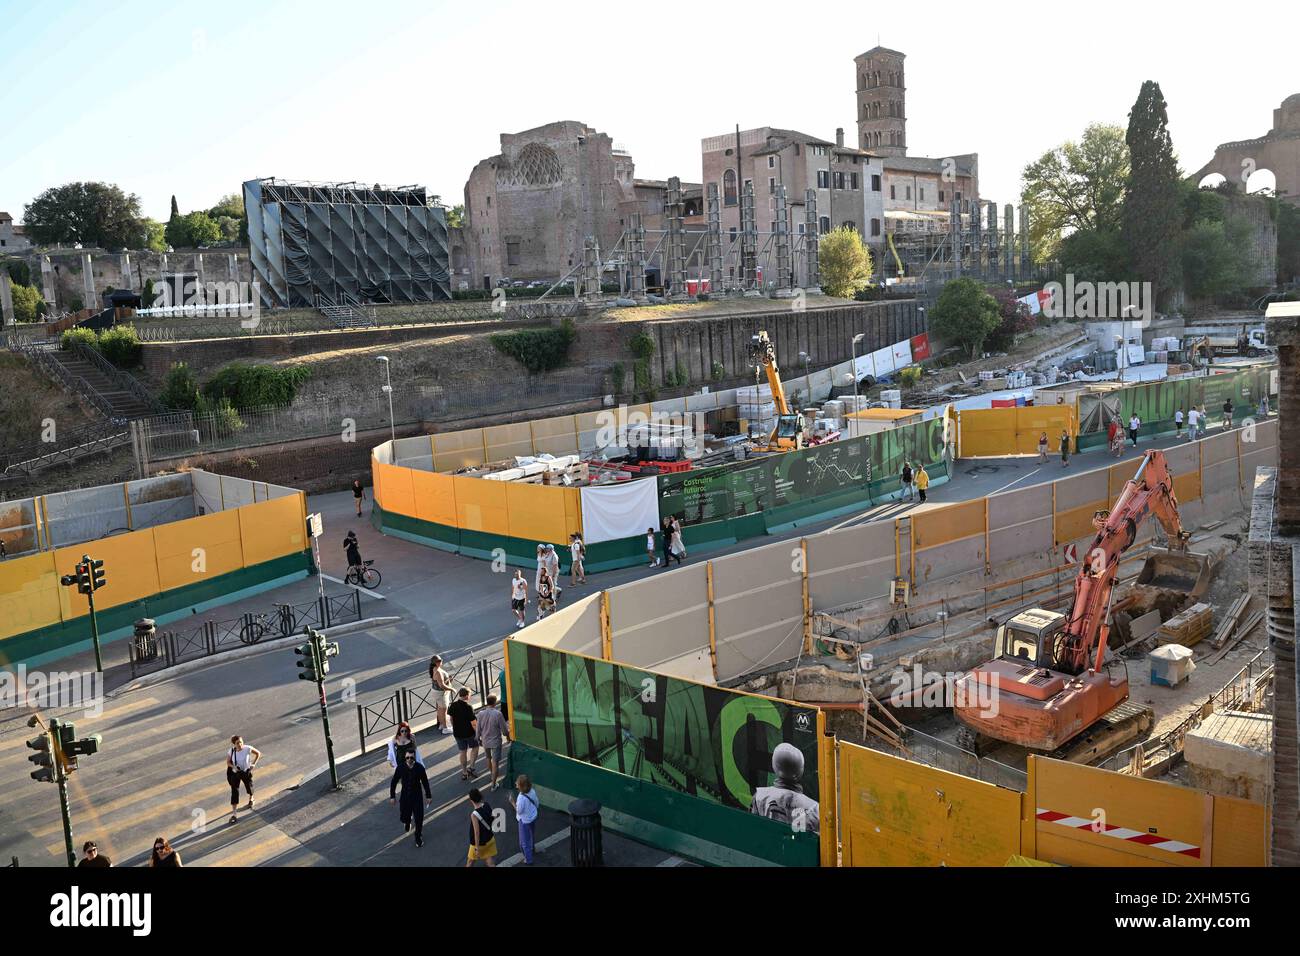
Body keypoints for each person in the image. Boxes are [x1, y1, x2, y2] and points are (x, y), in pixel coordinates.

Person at [750, 743, 820, 834]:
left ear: (774, 767)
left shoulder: (759, 797)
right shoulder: (815, 808)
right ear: (801, 771)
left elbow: (753, 831)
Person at [389, 750, 432, 848]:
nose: (409, 759)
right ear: (405, 757)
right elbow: (394, 782)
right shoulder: (400, 768)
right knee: (405, 816)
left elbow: (425, 782)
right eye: (407, 757)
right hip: (405, 797)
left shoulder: (419, 768)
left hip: (417, 797)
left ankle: (418, 837)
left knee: (419, 818)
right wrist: (392, 796)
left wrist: (428, 795)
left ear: (414, 758)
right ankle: (407, 822)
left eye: (411, 758)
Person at [476, 695, 511, 790]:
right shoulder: (498, 714)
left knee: (488, 758)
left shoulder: (480, 714)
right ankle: (493, 783)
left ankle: (492, 774)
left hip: (485, 741)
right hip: (495, 742)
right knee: (495, 762)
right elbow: (504, 730)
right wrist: (508, 737)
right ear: (495, 702)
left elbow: (478, 728)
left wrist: (478, 738)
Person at [226, 735, 260, 824]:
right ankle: (234, 814)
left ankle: (251, 798)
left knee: (249, 786)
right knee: (234, 792)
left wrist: (253, 764)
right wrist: (233, 766)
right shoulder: (231, 751)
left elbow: (258, 754)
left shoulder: (247, 748)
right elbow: (228, 762)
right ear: (234, 744)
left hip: (245, 772)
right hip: (236, 774)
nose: (240, 744)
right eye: (238, 743)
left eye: (241, 742)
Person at [449, 687, 480, 780]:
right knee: (475, 747)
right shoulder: (468, 707)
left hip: (458, 733)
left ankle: (464, 771)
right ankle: (471, 767)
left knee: (462, 751)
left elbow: (451, 719)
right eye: (470, 694)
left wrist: (455, 727)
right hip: (469, 733)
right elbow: (474, 723)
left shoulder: (453, 705)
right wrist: (478, 733)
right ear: (466, 696)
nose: (470, 696)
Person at [466, 788, 498, 867]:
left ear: (471, 800)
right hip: (489, 838)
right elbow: (494, 816)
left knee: (470, 862)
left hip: (480, 843)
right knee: (489, 860)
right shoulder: (487, 804)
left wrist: (476, 848)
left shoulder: (474, 814)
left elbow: (477, 832)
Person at [514, 775, 539, 865]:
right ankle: (533, 848)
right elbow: (536, 802)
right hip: (532, 817)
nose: (516, 783)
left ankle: (528, 859)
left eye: (517, 783)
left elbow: (519, 811)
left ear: (521, 786)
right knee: (531, 834)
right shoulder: (532, 791)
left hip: (524, 821)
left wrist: (513, 803)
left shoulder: (521, 798)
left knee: (524, 842)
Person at [429, 654, 453, 735]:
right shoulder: (438, 671)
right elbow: (441, 685)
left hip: (437, 693)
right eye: (439, 661)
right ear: (435, 663)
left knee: (440, 709)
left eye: (441, 660)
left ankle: (442, 725)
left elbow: (438, 682)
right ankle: (445, 728)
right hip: (441, 694)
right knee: (444, 710)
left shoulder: (435, 669)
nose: (441, 661)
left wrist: (448, 680)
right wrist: (452, 688)